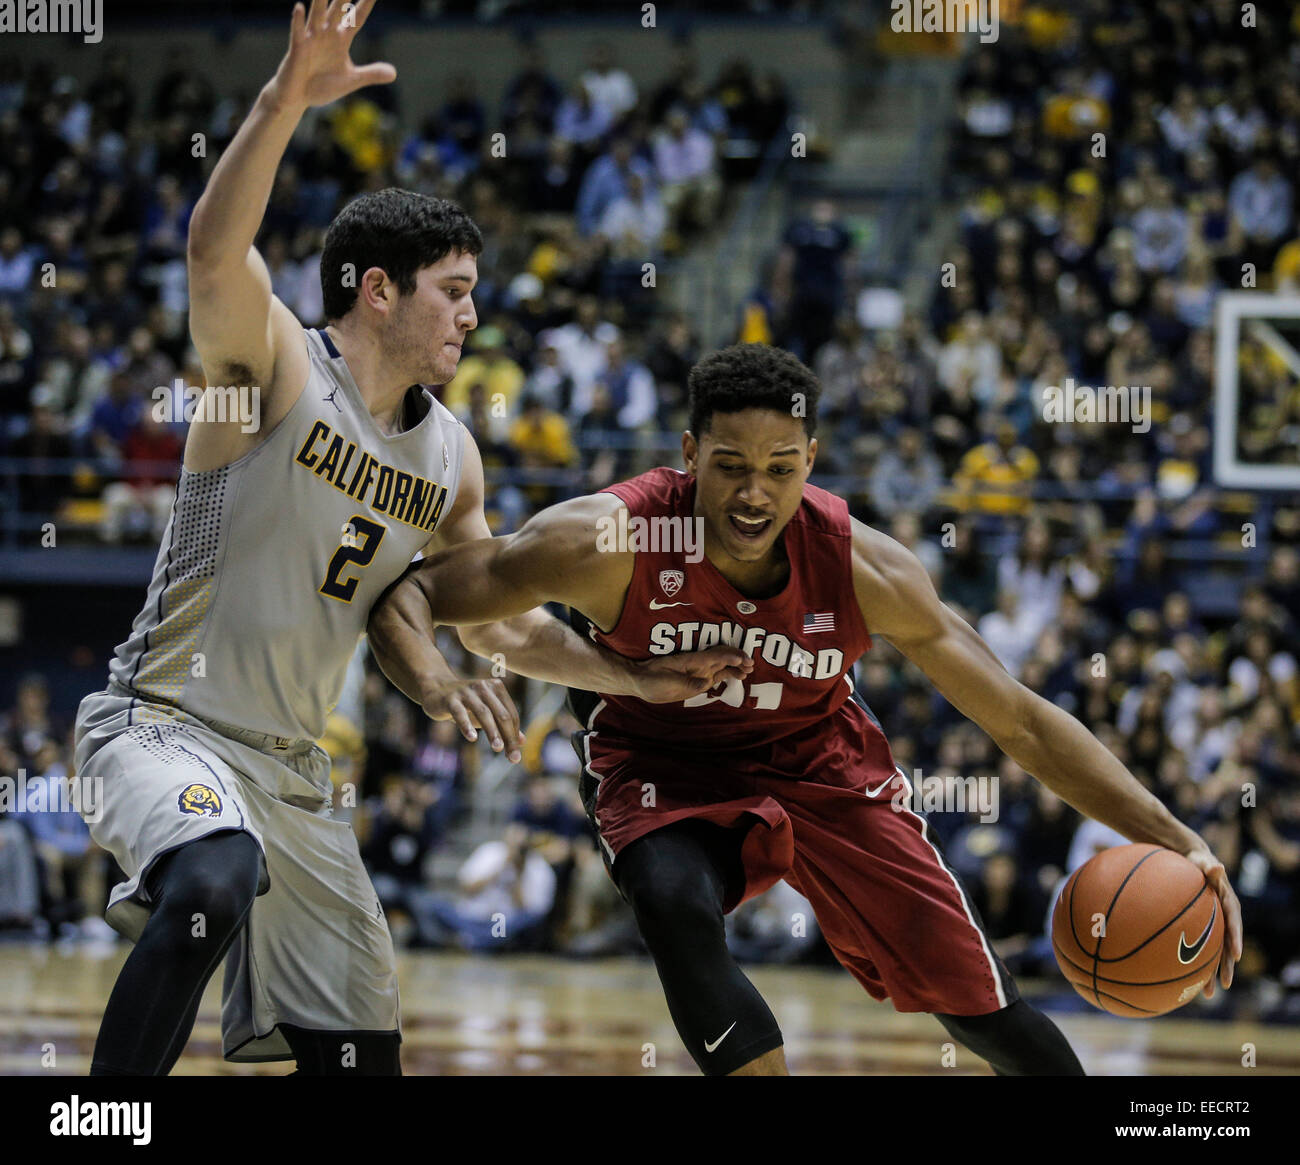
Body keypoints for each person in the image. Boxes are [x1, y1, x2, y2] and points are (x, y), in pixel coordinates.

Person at [72, 0, 746, 1078]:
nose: (472, 317)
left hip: (291, 772)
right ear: (376, 290)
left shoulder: (451, 459)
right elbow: (212, 251)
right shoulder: (277, 368)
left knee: (363, 1053)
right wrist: (283, 97)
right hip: (161, 724)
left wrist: (639, 678)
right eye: (454, 292)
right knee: (209, 874)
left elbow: (504, 624)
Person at [373, 342, 1244, 1077]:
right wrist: (437, 681)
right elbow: (419, 595)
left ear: (812, 462)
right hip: (661, 765)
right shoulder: (611, 541)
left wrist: (1176, 836)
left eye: (781, 470)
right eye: (732, 467)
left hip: (825, 765)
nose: (755, 494)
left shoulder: (866, 567)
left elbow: (1017, 719)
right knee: (673, 899)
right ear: (688, 453)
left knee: (978, 1007)